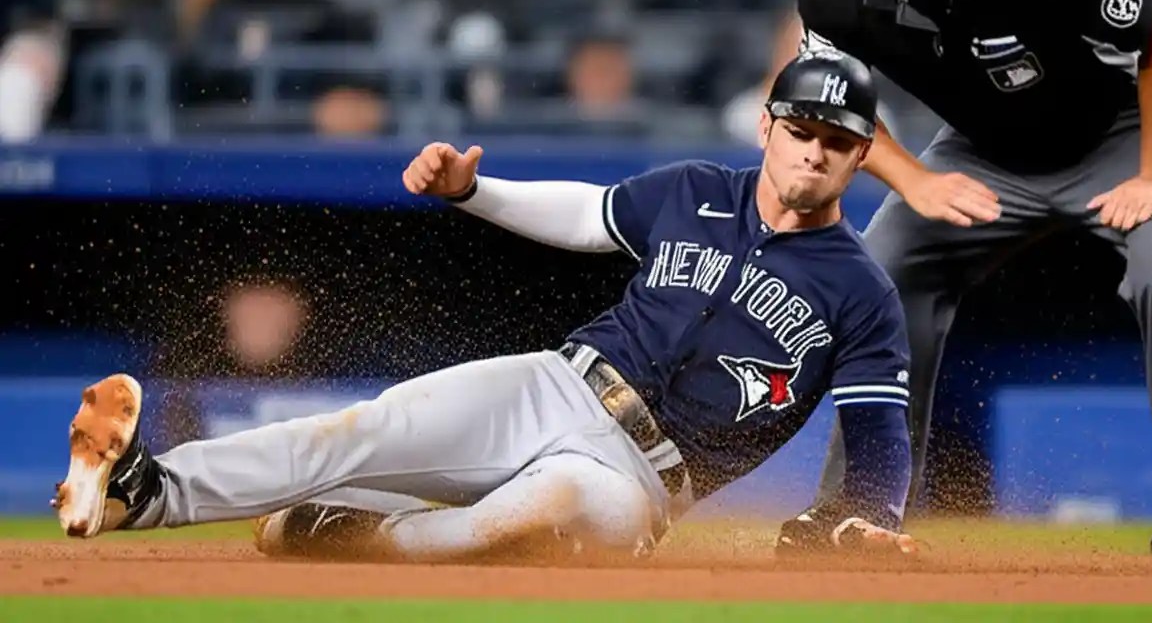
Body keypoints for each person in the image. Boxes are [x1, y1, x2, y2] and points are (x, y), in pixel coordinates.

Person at [55, 50, 919, 562]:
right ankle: (148, 489)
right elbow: (585, 215)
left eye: (838, 143)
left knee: (516, 523)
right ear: (768, 128)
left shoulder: (861, 291)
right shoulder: (693, 190)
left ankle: (363, 538)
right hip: (559, 384)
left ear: (861, 158)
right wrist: (474, 191)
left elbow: (881, 433)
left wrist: (872, 518)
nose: (813, 154)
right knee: (365, 429)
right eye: (800, 132)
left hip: (644, 480)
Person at [781, 0, 1152, 568]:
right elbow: (833, 102)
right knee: (881, 264)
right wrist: (914, 181)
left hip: (1116, 136)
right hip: (983, 150)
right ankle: (861, 501)